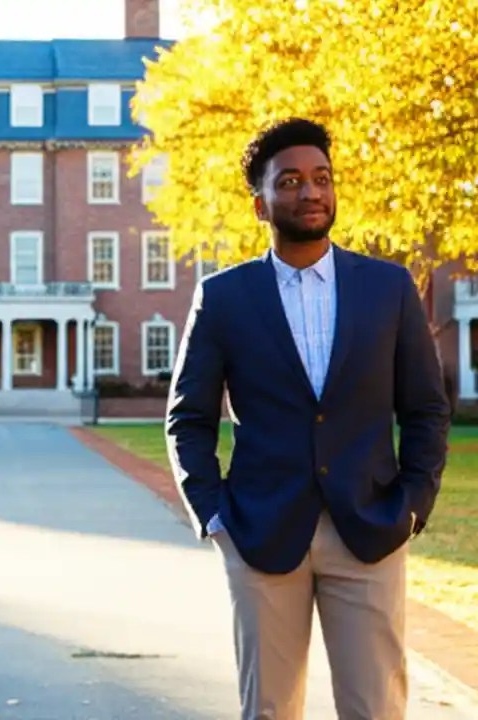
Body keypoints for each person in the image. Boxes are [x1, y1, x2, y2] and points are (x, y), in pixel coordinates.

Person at [164, 117, 450, 720]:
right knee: (268, 710)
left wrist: (413, 504)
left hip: (369, 530)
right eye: (290, 181)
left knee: (375, 710)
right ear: (260, 205)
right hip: (260, 532)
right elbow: (188, 419)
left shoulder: (389, 288)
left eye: (321, 178)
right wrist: (214, 516)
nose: (311, 191)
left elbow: (426, 408)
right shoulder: (223, 297)